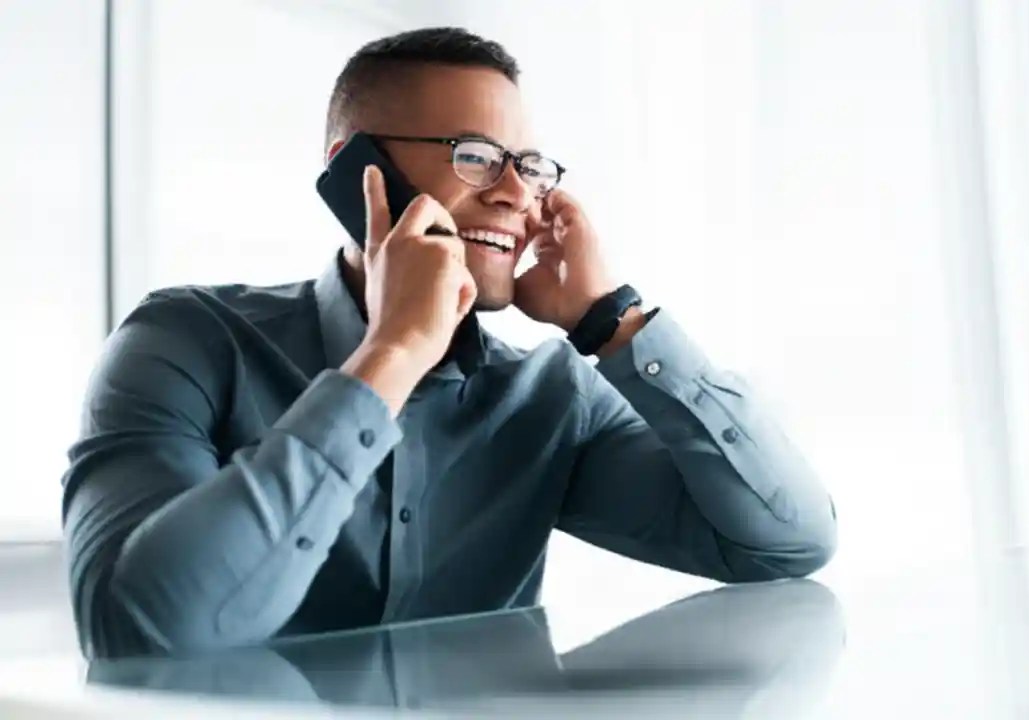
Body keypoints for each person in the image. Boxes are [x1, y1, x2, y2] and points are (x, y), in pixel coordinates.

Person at [61, 27, 837, 660]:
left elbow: (785, 541)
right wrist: (391, 355)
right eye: (474, 155)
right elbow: (143, 631)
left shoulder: (549, 398)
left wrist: (613, 322)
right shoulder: (184, 344)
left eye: (528, 166)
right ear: (356, 174)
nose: (515, 193)